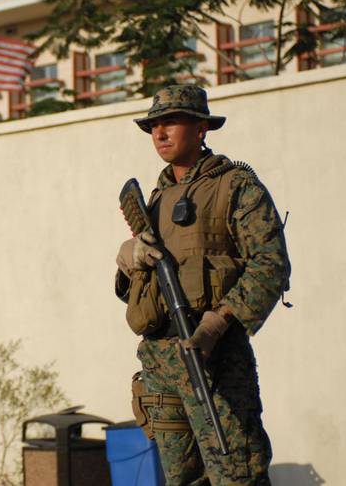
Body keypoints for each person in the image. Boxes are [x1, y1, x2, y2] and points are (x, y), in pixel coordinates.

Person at [114, 85, 291, 485]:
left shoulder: (236, 187)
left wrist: (220, 321)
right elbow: (139, 289)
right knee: (181, 478)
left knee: (236, 471)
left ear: (201, 129)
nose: (160, 133)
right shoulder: (154, 200)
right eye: (154, 125)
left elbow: (271, 264)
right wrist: (129, 259)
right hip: (160, 359)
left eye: (171, 122)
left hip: (214, 355)